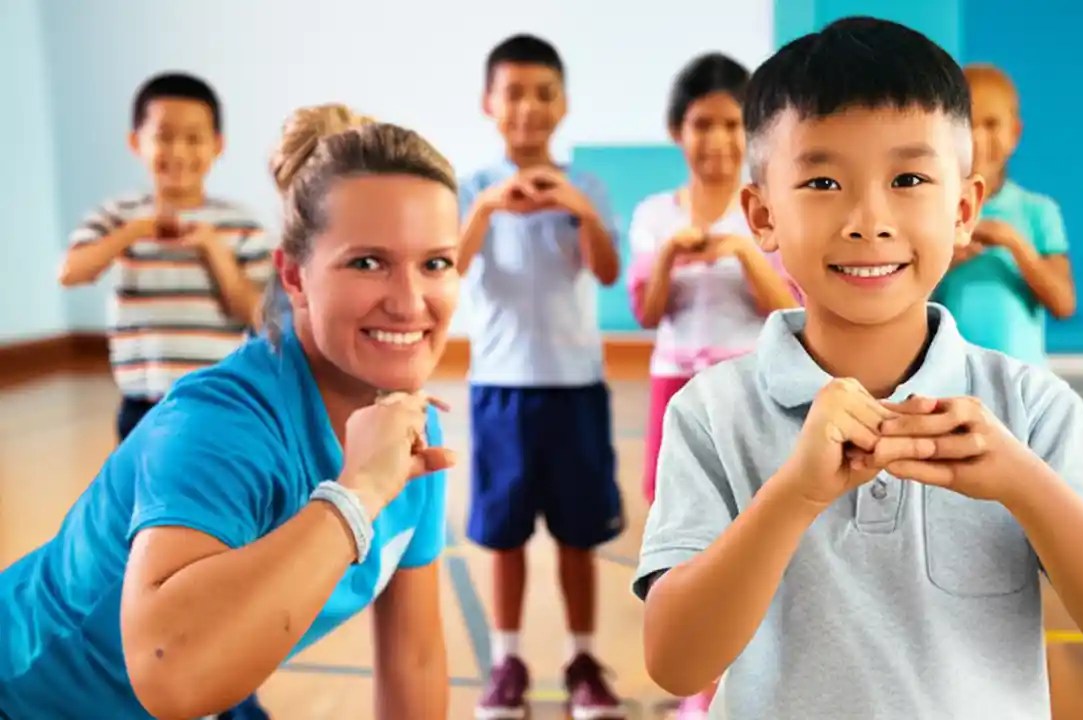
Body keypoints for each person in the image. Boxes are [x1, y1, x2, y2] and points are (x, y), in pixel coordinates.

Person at [633, 16, 1083, 719]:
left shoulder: (1030, 409)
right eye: (824, 180)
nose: (869, 218)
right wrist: (793, 496)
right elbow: (677, 664)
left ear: (963, 210)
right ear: (762, 215)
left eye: (909, 178)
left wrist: (1022, 483)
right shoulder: (712, 411)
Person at [0, 105, 459, 720]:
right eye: (367, 262)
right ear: (294, 276)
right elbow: (170, 675)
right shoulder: (219, 422)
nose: (409, 302)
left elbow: (416, 658)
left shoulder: (410, 428)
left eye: (435, 263)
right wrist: (357, 494)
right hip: (36, 696)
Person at [625, 51, 798, 720]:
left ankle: (752, 681)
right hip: (676, 385)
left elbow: (785, 306)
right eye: (701, 125)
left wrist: (741, 252)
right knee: (684, 536)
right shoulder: (653, 215)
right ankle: (699, 691)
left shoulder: (765, 211)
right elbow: (645, 312)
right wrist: (671, 253)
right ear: (678, 131)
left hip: (751, 386)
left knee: (753, 529)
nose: (717, 141)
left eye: (731, 124)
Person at [457, 34, 625, 719]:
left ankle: (582, 657)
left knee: (579, 534)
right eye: (513, 93)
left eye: (542, 93)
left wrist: (575, 208)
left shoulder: (585, 186)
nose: (527, 108)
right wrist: (491, 205)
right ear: (488, 104)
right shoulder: (473, 188)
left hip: (575, 383)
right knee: (504, 535)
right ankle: (506, 662)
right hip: (499, 386)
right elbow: (452, 264)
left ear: (563, 105)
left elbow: (607, 270)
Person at [57, 71, 275, 442]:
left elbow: (260, 314)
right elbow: (71, 272)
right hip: (141, 402)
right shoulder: (117, 216)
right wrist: (135, 231)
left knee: (211, 491)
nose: (178, 152)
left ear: (217, 145)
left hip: (218, 399)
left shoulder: (241, 225)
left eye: (193, 139)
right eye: (163, 136)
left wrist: (212, 249)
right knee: (139, 494)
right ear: (135, 141)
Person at [931, 63, 1075, 365]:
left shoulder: (1038, 211)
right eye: (967, 125)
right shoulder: (931, 209)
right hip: (948, 378)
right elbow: (901, 303)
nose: (979, 139)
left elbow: (1063, 304)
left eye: (991, 124)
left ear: (1015, 132)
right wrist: (945, 260)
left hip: (1022, 383)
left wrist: (1013, 242)